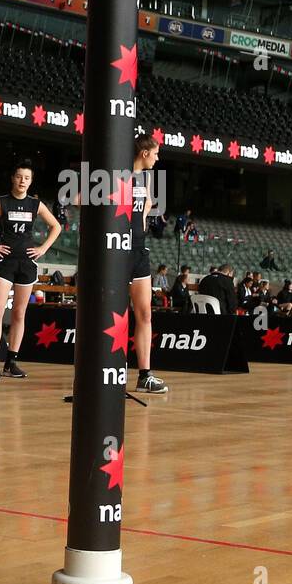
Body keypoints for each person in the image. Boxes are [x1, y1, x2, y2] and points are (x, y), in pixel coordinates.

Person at [0, 160, 59, 379]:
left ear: (31, 181)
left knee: (19, 313)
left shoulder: (35, 204)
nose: (22, 181)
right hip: (5, 261)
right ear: (13, 178)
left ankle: (12, 362)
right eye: (19, 176)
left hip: (27, 263)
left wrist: (42, 248)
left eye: (27, 178)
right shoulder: (1, 202)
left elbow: (56, 226)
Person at [126, 134, 169, 393]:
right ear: (144, 153)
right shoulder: (117, 174)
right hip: (117, 250)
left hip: (139, 251)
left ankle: (145, 376)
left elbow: (147, 205)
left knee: (145, 313)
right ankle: (106, 370)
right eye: (155, 153)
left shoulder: (147, 178)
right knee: (115, 315)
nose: (157, 157)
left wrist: (139, 228)